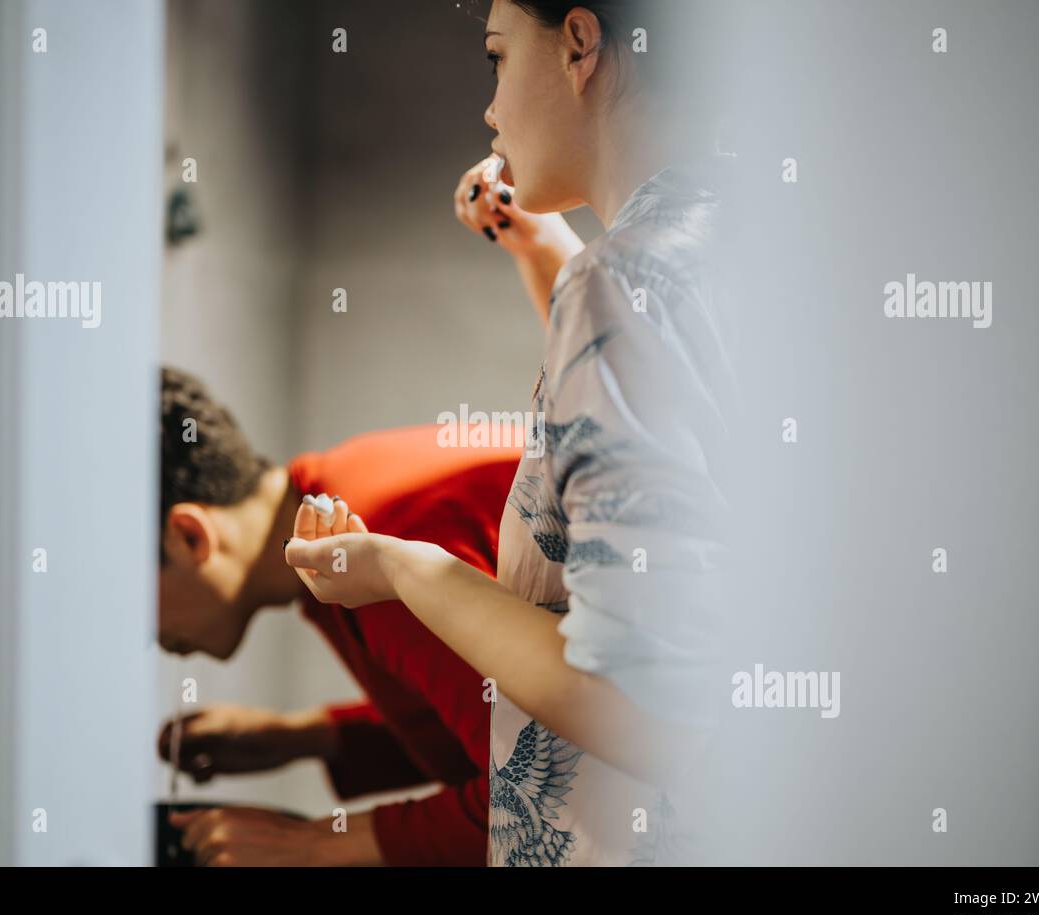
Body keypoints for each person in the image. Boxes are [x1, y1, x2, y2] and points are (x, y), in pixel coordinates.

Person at [285, 0, 737, 865]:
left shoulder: (619, 283)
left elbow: (642, 702)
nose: (490, 110)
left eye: (496, 57)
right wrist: (545, 252)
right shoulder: (740, 239)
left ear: (578, 46)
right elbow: (663, 413)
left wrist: (402, 568)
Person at [156, 366, 521, 865]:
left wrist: (308, 845)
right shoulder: (350, 484)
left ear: (189, 537)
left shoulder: (375, 540)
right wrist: (313, 737)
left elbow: (540, 794)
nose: (147, 638)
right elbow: (508, 711)